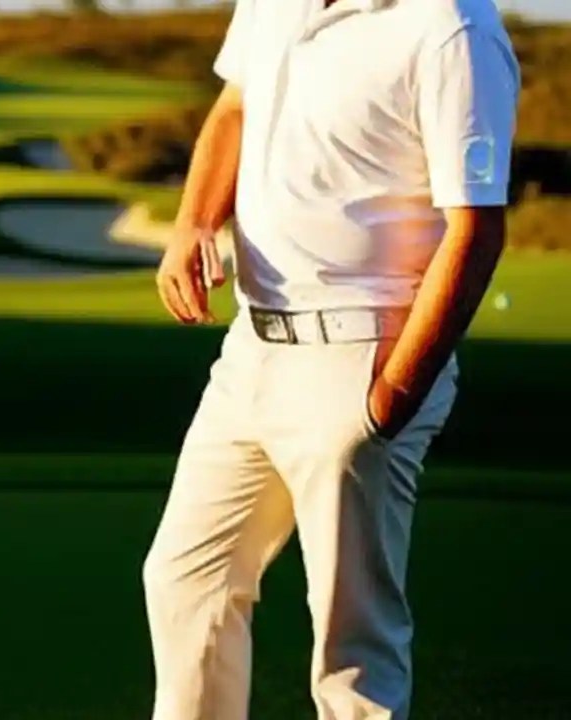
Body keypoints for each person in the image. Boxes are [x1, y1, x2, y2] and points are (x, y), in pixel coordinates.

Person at [141, 0, 519, 718]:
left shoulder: (452, 28)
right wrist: (194, 221)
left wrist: (389, 398)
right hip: (251, 348)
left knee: (353, 659)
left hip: (361, 355)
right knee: (186, 580)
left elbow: (475, 230)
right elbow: (235, 106)